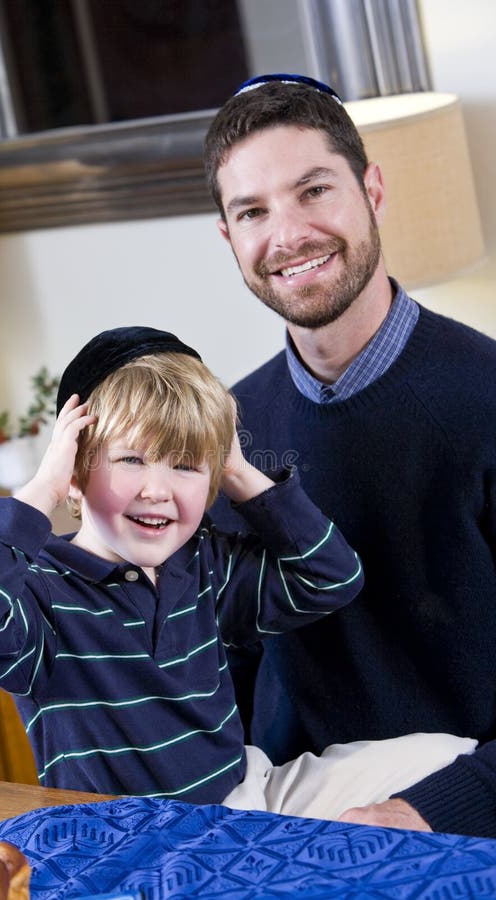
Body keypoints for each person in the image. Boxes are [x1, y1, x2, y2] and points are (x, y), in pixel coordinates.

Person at [0, 326, 472, 818]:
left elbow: (332, 577)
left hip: (251, 794)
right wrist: (40, 492)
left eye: (186, 466)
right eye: (131, 460)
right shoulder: (40, 591)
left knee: (448, 756)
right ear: (73, 474)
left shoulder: (205, 564)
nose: (158, 489)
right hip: (135, 836)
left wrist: (234, 469)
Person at [204, 73, 496, 838]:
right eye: (253, 211)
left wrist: (432, 810)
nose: (289, 233)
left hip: (458, 827)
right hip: (283, 825)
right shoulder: (221, 431)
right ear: (228, 237)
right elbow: (216, 681)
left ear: (372, 188)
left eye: (314, 190)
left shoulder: (488, 398)